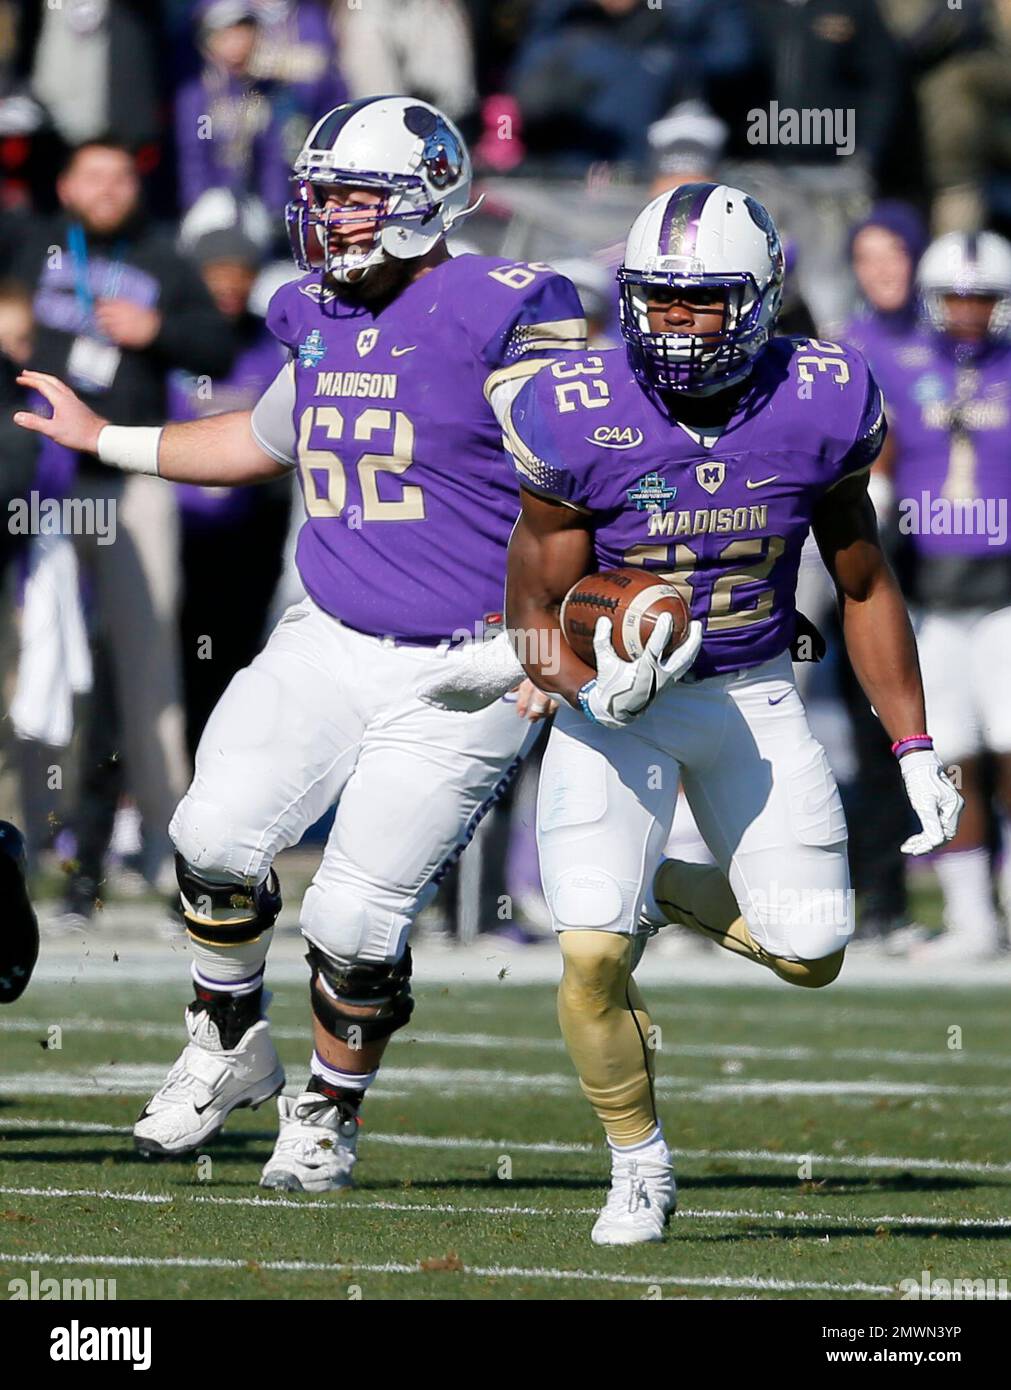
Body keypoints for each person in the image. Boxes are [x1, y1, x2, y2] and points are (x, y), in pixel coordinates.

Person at [14, 96, 585, 1193]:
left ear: (426, 200)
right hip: (326, 635)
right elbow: (261, 436)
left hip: (463, 665)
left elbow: (574, 476)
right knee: (214, 832)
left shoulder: (500, 310)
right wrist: (107, 436)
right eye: (320, 197)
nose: (327, 220)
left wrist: (556, 625)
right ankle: (230, 1043)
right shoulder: (318, 313)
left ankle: (327, 1110)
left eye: (354, 200)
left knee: (353, 914)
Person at [499, 183, 963, 1244]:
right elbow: (528, 608)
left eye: (700, 302)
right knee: (587, 955)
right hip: (617, 712)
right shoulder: (575, 408)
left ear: (758, 301)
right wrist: (578, 680)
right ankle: (638, 1163)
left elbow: (861, 581)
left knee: (813, 950)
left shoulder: (824, 395)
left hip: (752, 689)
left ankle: (656, 888)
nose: (672, 323)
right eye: (655, 300)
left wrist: (915, 744)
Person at [8, 136, 236, 909]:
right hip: (28, 483)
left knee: (148, 671)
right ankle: (23, 844)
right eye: (91, 174)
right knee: (21, 664)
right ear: (66, 181)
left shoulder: (162, 257)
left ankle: (179, 854)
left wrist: (156, 332)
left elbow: (220, 341)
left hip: (127, 478)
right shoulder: (24, 238)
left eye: (120, 175)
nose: (106, 188)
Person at [871, 230, 1011, 961]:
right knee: (949, 756)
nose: (966, 311)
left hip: (1004, 592)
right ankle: (970, 919)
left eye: (980, 298)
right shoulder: (896, 367)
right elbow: (878, 459)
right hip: (926, 590)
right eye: (955, 296)